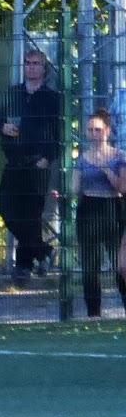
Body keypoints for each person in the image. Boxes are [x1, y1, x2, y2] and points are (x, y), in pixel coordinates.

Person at [0, 48, 62, 280]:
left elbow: (59, 134)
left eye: (35, 63)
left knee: (31, 215)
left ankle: (24, 267)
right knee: (7, 210)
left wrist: (47, 158)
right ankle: (44, 251)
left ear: (44, 69)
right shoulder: (14, 93)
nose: (30, 67)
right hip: (14, 161)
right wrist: (2, 127)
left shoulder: (52, 98)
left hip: (37, 163)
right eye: (27, 63)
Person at [74, 109, 126, 319]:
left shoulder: (119, 156)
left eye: (98, 130)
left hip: (113, 208)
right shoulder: (82, 159)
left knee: (120, 265)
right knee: (90, 266)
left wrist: (105, 168)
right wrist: (64, 194)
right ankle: (93, 312)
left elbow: (122, 187)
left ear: (107, 131)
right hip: (89, 209)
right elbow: (75, 186)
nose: (94, 134)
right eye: (90, 130)